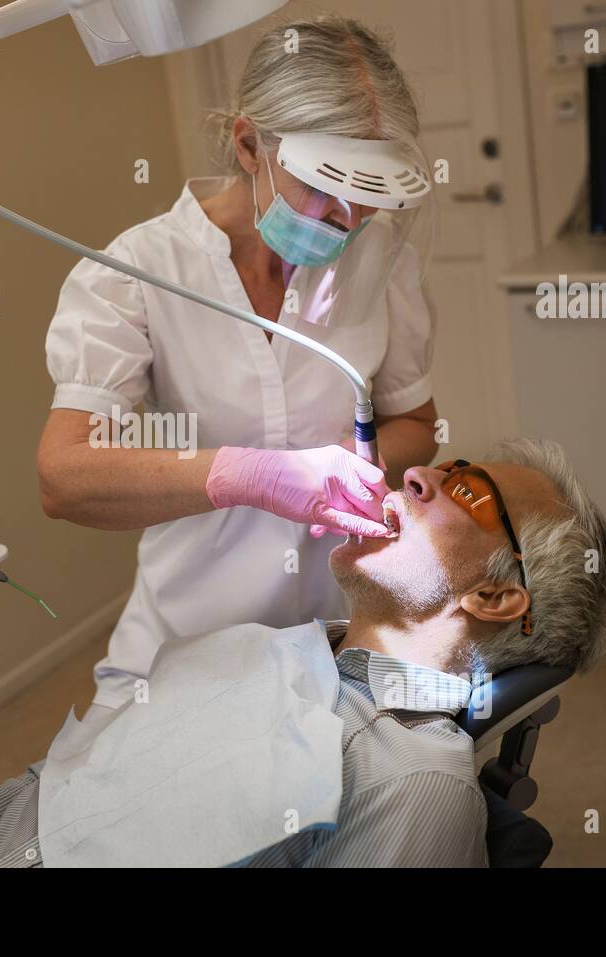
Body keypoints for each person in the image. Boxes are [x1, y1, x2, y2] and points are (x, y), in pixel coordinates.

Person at [0, 439, 606, 868]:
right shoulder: (246, 647)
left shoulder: (413, 784)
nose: (419, 470)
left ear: (494, 599)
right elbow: (58, 784)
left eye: (467, 494)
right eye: (445, 466)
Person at [37, 14, 440, 725]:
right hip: (184, 640)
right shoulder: (136, 273)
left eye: (365, 198)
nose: (345, 223)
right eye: (323, 189)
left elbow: (414, 422)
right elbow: (63, 477)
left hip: (337, 635)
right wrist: (247, 476)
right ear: (250, 144)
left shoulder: (383, 264)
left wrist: (352, 461)